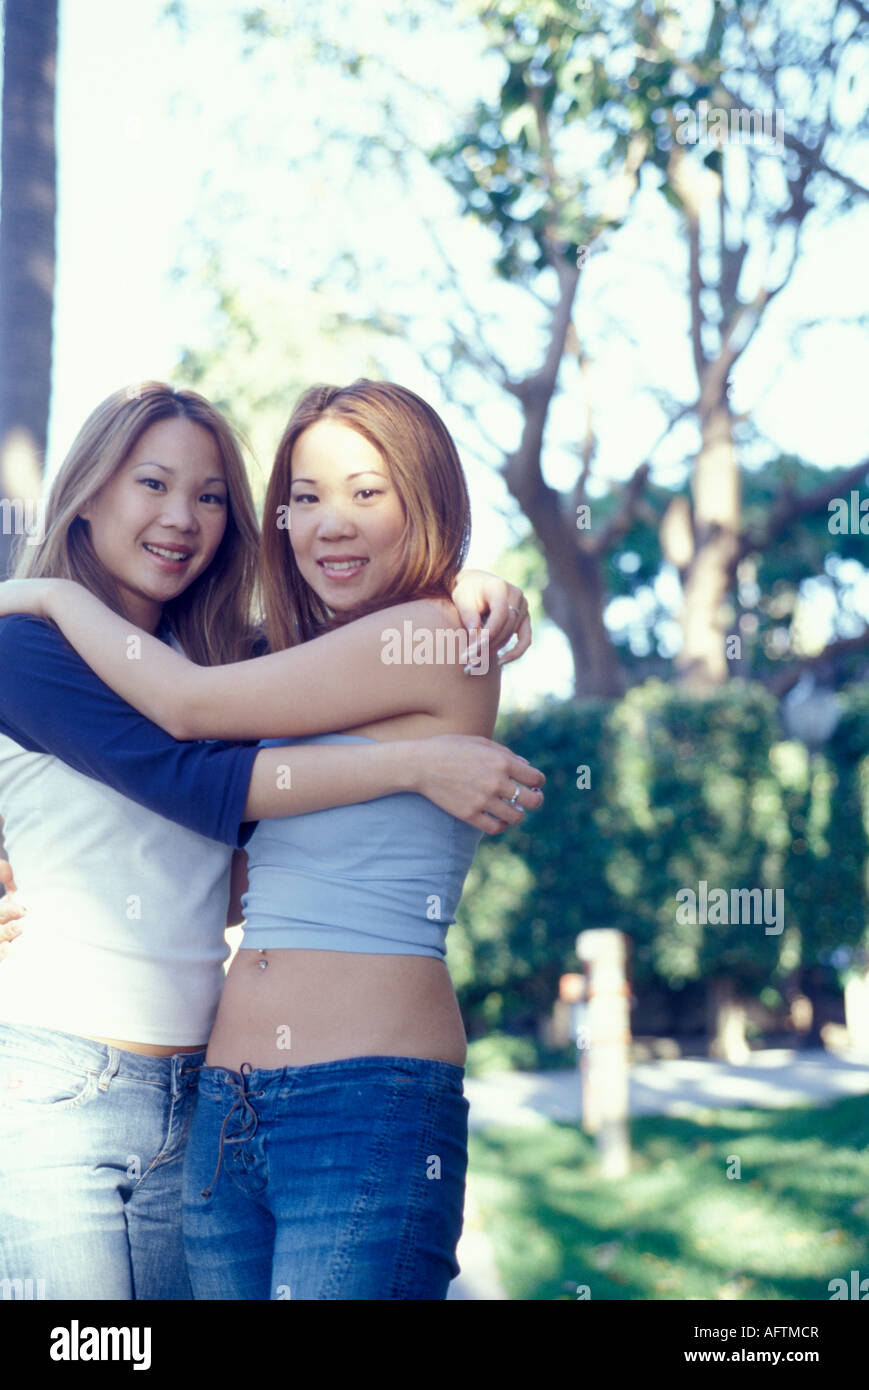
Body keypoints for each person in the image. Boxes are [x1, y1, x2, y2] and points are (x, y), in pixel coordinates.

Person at [0, 381, 542, 1300]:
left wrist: (466, 584)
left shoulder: (248, 664)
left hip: (287, 1092)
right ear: (84, 494)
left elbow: (209, 755)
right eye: (307, 496)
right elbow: (203, 807)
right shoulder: (34, 645)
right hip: (139, 1094)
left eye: (211, 496)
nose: (183, 518)